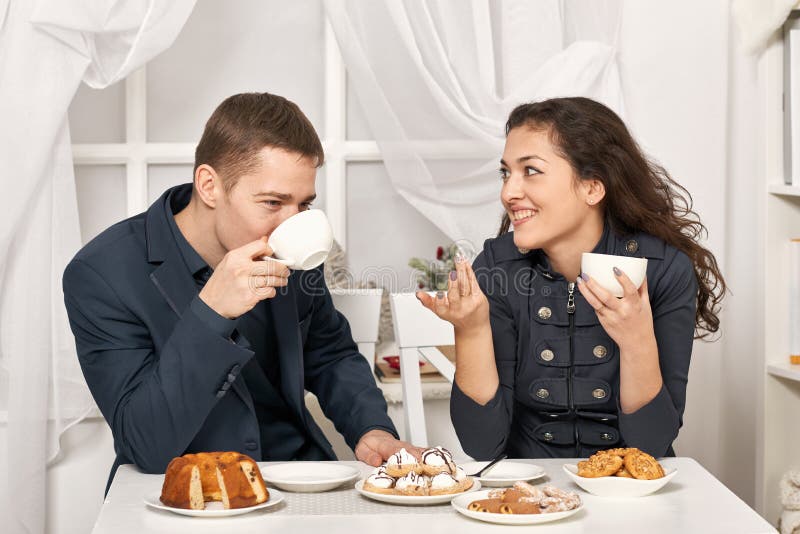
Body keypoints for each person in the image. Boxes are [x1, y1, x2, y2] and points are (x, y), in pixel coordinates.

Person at [63, 92, 418, 488]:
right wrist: (210, 313)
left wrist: (371, 428)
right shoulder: (102, 274)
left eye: (304, 204)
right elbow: (146, 445)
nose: (292, 222)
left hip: (295, 482)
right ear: (210, 185)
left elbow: (330, 353)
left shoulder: (288, 247)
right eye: (272, 202)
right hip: (186, 493)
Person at [417, 97, 726, 460]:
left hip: (631, 498)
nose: (508, 192)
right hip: (528, 496)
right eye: (506, 173)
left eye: (530, 170)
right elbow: (481, 445)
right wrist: (471, 330)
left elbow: (651, 446)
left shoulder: (663, 269)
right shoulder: (496, 269)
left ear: (592, 187)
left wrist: (636, 340)